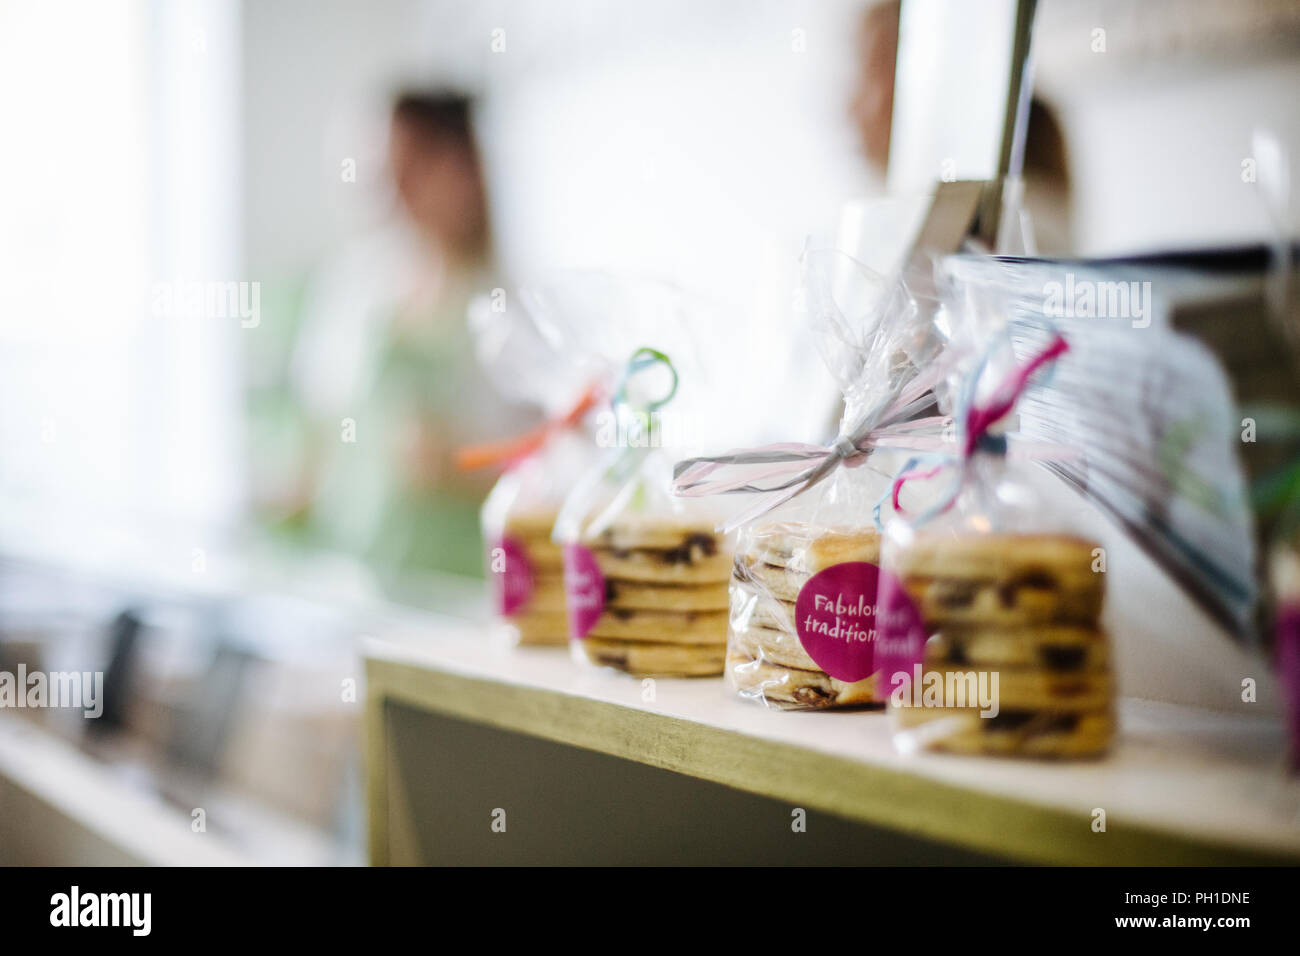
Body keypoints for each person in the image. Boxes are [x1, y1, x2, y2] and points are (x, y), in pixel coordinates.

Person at [279, 90, 515, 585]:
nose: (396, 190)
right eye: (388, 170)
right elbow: (318, 435)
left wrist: (456, 465)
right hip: (354, 567)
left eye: (414, 169)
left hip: (455, 583)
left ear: (462, 168)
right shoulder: (352, 286)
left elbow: (544, 467)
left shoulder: (505, 304)